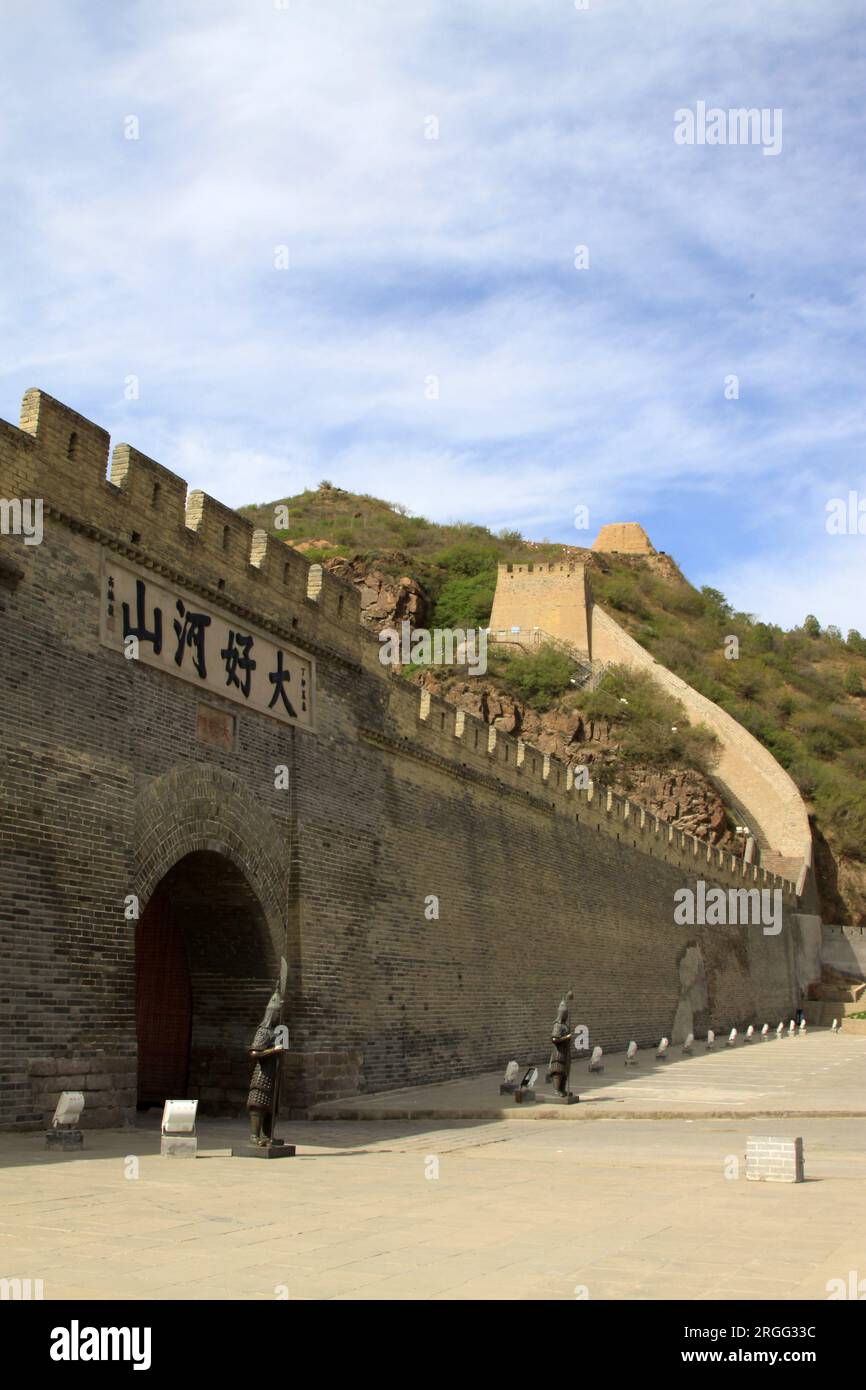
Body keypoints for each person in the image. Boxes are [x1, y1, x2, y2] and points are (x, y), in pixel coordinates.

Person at [246, 986, 285, 1146]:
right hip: (263, 1072)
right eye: (278, 1013)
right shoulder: (264, 1031)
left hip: (274, 1071)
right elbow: (254, 1053)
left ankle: (267, 1135)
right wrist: (273, 1050)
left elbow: (283, 1049)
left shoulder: (280, 1031)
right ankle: (254, 1136)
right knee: (258, 1103)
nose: (279, 1017)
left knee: (272, 1106)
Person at [546, 994, 574, 1096]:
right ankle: (556, 1090)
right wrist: (566, 1038)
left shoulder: (565, 1025)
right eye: (565, 1013)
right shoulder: (557, 1025)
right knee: (558, 1071)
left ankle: (562, 1089)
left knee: (565, 1071)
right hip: (558, 1052)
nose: (566, 1015)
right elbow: (554, 1038)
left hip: (565, 1051)